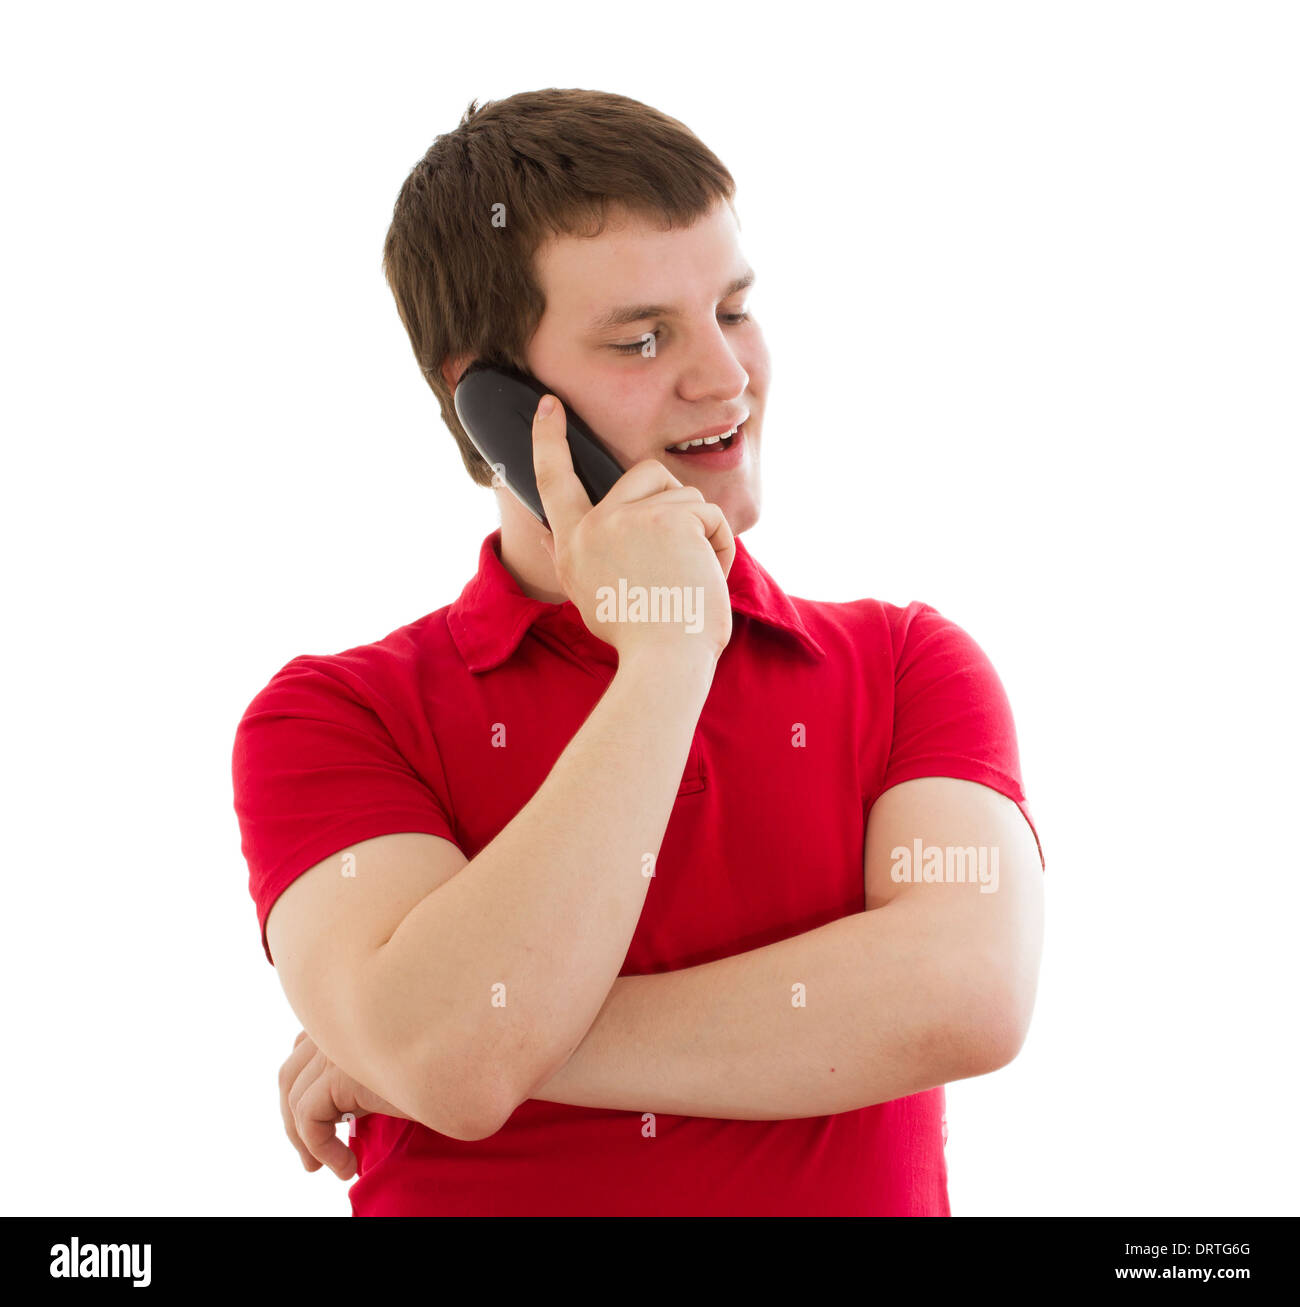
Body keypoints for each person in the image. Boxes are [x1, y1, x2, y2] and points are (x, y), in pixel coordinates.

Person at [232, 88, 1045, 1217]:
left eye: (734, 308)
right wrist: (664, 661)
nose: (727, 378)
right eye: (644, 338)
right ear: (495, 405)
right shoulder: (338, 716)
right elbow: (456, 1054)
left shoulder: (906, 663)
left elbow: (967, 993)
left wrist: (465, 1039)